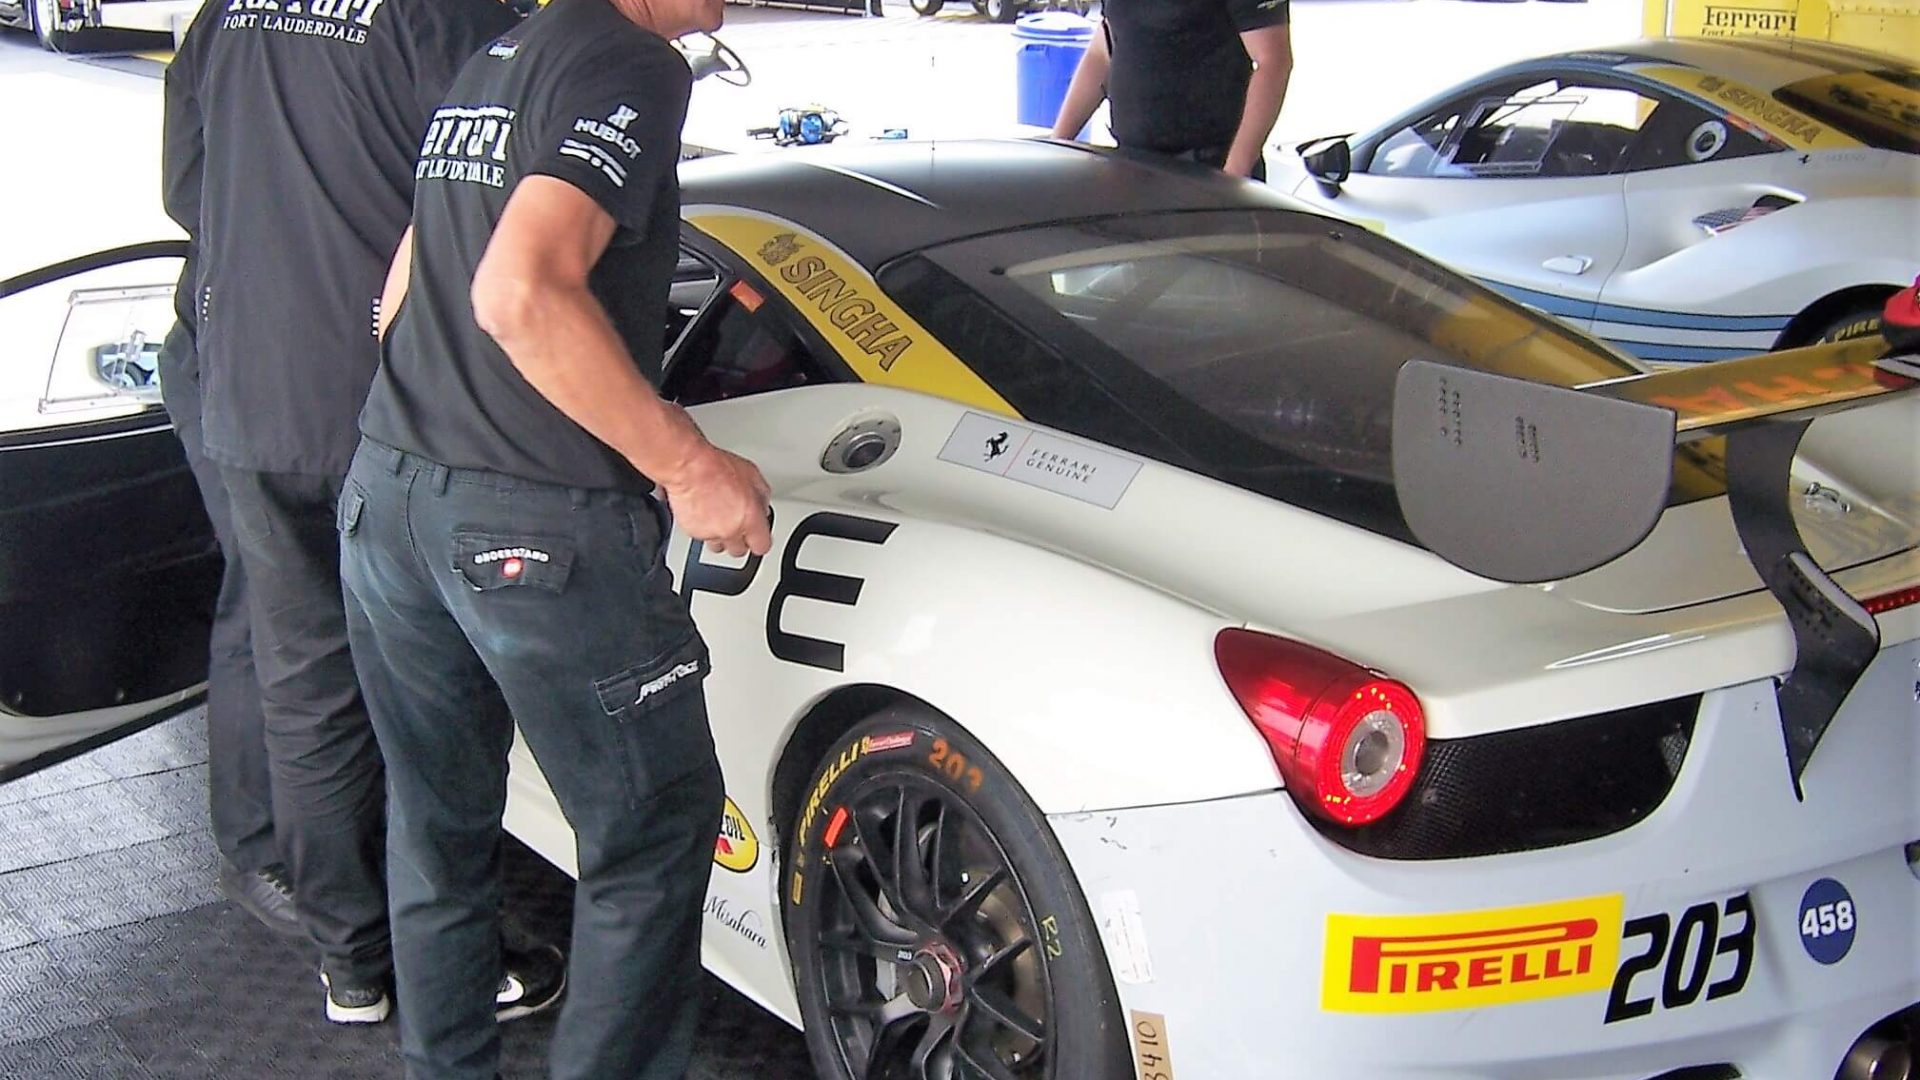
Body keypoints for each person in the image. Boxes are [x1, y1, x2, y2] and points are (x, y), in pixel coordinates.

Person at [341, 0, 772, 1071]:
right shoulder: (633, 62)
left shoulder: (499, 55)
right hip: (536, 523)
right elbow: (517, 290)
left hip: (390, 492)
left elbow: (404, 284)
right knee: (651, 834)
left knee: (436, 825)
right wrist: (687, 463)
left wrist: (445, 413)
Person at [161, 0, 563, 1025]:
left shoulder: (232, 11)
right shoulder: (450, 20)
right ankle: (452, 957)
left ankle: (350, 959)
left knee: (305, 675)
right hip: (386, 398)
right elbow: (495, 216)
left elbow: (186, 185)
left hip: (245, 384)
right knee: (427, 693)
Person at [1050, 0, 1294, 180]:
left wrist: (1234, 174)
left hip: (1208, 167)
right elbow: (1105, 49)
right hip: (1132, 164)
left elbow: (1273, 62)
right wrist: (1058, 142)